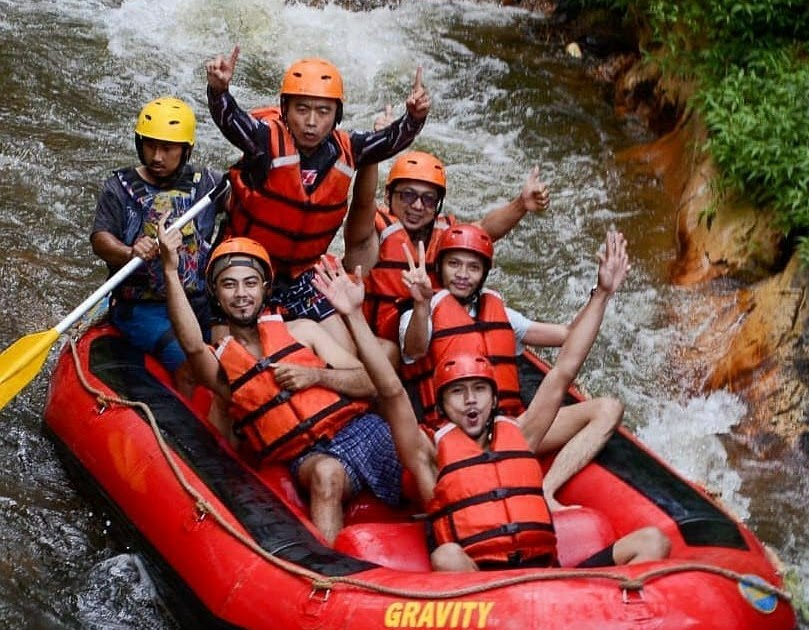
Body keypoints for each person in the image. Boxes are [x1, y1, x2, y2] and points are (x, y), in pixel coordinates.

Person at [311, 255, 670, 572]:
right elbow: (390, 389)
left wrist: (603, 294)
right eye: (458, 393)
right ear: (441, 404)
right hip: (483, 588)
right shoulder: (429, 455)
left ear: (493, 398)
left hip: (547, 578)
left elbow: (564, 370)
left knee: (652, 541)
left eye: (480, 390)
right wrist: (354, 315)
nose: (470, 402)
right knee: (447, 557)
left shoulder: (522, 434)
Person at [158, 227, 423, 545]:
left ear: (265, 289)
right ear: (216, 293)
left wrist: (316, 376)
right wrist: (171, 271)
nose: (241, 294)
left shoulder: (302, 330)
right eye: (229, 285)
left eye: (250, 283)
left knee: (424, 466)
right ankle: (328, 578)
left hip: (361, 429)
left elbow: (369, 382)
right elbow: (191, 345)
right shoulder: (219, 364)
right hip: (307, 455)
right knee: (327, 476)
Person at [204, 45, 431, 352]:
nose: (311, 122)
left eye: (323, 111)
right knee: (232, 360)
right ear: (285, 109)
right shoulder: (263, 142)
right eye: (302, 109)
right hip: (244, 269)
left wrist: (414, 118)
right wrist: (219, 92)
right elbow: (231, 121)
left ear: (336, 115)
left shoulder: (350, 148)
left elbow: (391, 141)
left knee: (349, 356)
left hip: (300, 275)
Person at [399, 223, 627, 510]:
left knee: (608, 408)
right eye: (454, 264)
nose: (462, 274)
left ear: (483, 274)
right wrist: (421, 305)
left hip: (513, 429)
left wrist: (601, 292)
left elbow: (568, 339)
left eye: (472, 267)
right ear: (440, 266)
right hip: (451, 434)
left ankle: (545, 489)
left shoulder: (500, 311)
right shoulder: (421, 314)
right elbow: (415, 348)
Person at [90, 96, 226, 397]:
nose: (157, 156)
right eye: (150, 145)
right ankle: (187, 432)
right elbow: (100, 239)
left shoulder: (208, 184)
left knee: (231, 359)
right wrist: (130, 252)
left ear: (185, 150)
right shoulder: (119, 188)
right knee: (190, 362)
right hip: (142, 306)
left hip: (198, 300)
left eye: (167, 148)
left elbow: (245, 197)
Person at [342, 149, 550, 343]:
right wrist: (376, 149)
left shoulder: (442, 235)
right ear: (388, 195)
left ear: (437, 205)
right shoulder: (368, 239)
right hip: (376, 346)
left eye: (429, 199)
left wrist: (521, 205)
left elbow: (485, 230)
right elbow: (362, 202)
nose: (417, 206)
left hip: (426, 341)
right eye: (408, 195)